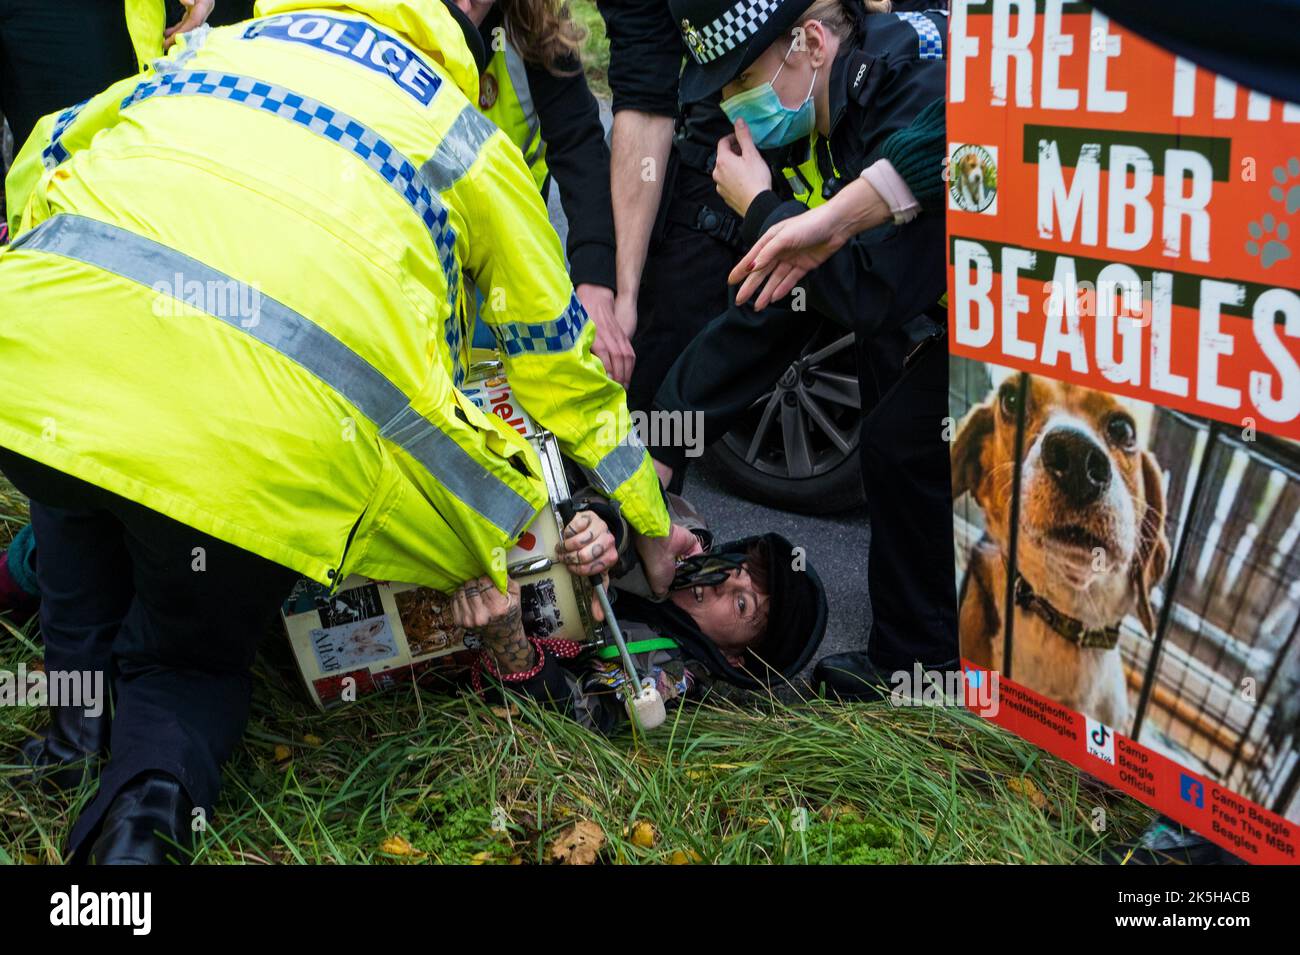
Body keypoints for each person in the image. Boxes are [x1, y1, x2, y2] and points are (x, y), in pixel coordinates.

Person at [0, 0, 697, 864]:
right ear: (468, 28)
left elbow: (49, 147)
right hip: (251, 438)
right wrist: (651, 521)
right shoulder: (462, 135)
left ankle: (72, 735)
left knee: (77, 501)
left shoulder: (225, 43)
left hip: (40, 362)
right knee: (184, 659)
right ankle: (132, 845)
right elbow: (561, 369)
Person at [650, 0, 957, 698]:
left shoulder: (906, 83)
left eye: (742, 81)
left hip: (1034, 312)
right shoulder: (825, 115)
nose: (735, 107)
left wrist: (763, 206)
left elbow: (872, 288)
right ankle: (916, 656)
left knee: (906, 442)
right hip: (941, 311)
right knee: (899, 441)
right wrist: (663, 441)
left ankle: (928, 671)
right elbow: (777, 302)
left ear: (810, 43)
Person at [451, 496, 828, 733]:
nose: (721, 584)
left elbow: (576, 718)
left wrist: (511, 644)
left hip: (459, 622)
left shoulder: (666, 677)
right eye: (738, 571)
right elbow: (612, 483)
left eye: (741, 603)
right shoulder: (684, 531)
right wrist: (607, 526)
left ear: (735, 658)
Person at [453, 0, 625, 383]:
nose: (465, 5)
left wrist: (596, 283)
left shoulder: (529, 22)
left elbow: (579, 144)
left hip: (505, 249)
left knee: (499, 380)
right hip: (414, 241)